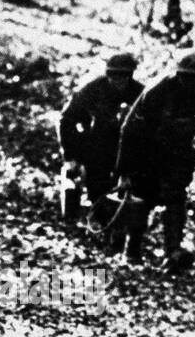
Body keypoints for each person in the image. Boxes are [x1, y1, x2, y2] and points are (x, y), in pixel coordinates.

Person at [113, 48, 195, 271]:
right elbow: (130, 130)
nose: (193, 83)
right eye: (188, 77)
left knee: (175, 196)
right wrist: (125, 172)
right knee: (141, 196)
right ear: (179, 75)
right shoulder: (158, 91)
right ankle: (132, 250)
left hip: (180, 153)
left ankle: (173, 251)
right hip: (148, 151)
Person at [58, 52, 143, 239]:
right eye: (114, 76)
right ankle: (91, 224)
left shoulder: (140, 94)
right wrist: (70, 157)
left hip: (127, 150)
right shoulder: (93, 89)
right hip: (96, 146)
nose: (118, 81)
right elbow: (66, 120)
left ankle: (117, 228)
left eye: (124, 76)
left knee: (126, 191)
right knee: (95, 187)